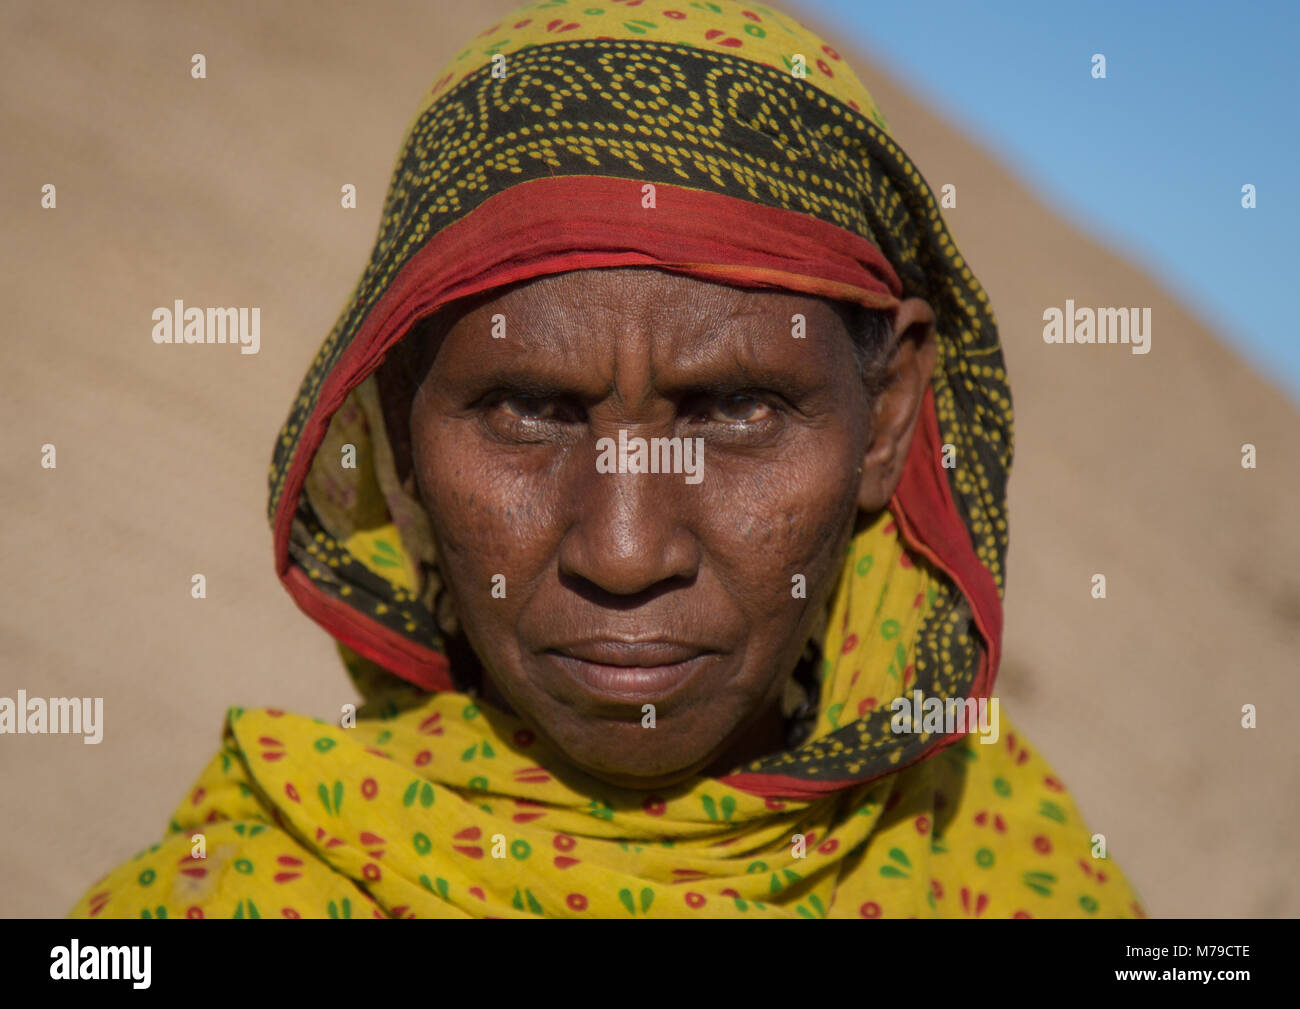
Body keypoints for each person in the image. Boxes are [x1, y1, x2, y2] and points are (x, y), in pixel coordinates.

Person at [70, 0, 1144, 919]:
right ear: (398, 421)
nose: (625, 551)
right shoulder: (233, 898)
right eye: (528, 410)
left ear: (887, 413)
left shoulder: (1011, 862)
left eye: (734, 409)